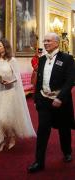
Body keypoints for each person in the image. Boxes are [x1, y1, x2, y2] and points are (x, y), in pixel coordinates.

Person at [28, 32, 75, 173]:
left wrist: (60, 97)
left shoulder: (67, 59)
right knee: (42, 130)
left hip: (61, 101)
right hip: (44, 101)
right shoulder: (41, 60)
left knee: (64, 129)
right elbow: (39, 81)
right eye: (44, 40)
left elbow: (70, 81)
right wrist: (36, 99)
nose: (45, 43)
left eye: (48, 41)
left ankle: (67, 151)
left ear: (56, 43)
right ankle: (39, 162)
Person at [0, 38, 36, 152]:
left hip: (9, 91)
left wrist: (9, 82)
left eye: (0, 46)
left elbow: (17, 77)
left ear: (5, 47)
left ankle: (11, 136)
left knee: (4, 118)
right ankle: (1, 141)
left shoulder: (12, 60)